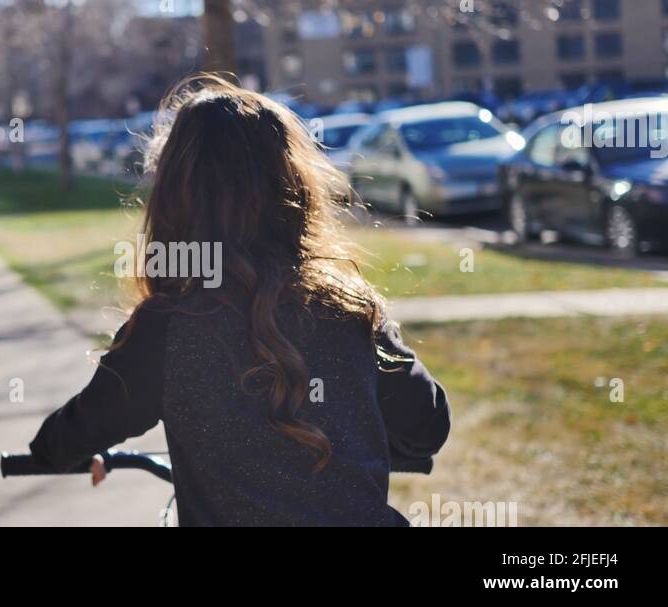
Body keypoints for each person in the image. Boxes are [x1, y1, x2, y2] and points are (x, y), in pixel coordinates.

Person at [27, 75, 451, 527]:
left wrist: (70, 449)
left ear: (178, 197)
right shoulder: (349, 307)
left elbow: (72, 434)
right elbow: (425, 429)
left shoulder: (168, 327)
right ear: (293, 185)